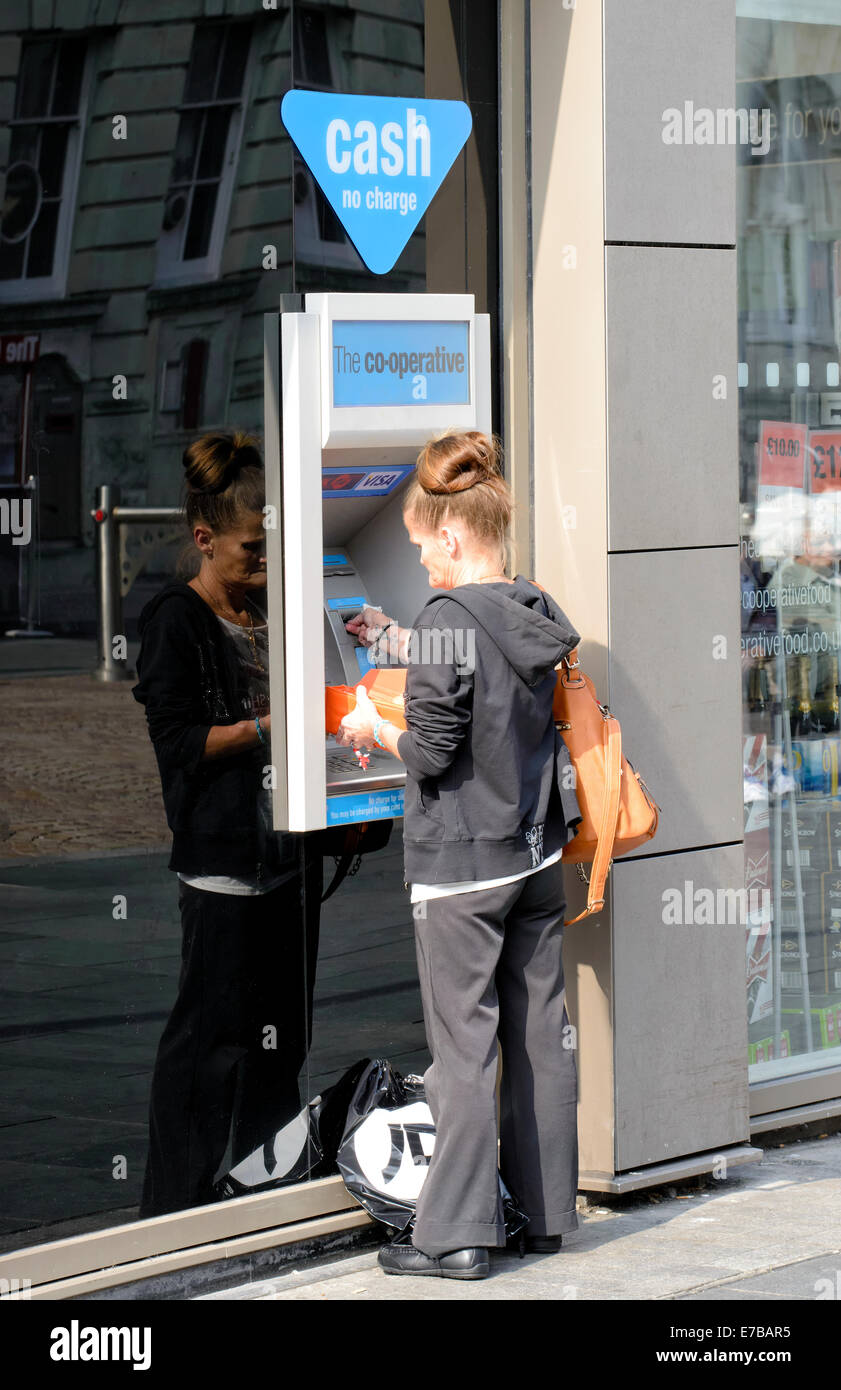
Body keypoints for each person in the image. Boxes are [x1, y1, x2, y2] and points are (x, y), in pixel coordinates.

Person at [336, 429, 582, 1279]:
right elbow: (482, 667)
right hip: (534, 854)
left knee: (465, 1048)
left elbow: (435, 751)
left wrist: (372, 725)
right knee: (538, 1036)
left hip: (463, 870)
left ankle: (458, 1237)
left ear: (449, 535)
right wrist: (395, 640)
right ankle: (547, 1217)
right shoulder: (525, 602)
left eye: (418, 548)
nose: (420, 564)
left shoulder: (450, 612)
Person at [132, 431, 322, 1218]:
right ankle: (173, 1209)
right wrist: (271, 728)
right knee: (208, 1047)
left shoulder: (271, 606)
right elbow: (177, 744)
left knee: (282, 1040)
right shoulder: (173, 619)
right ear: (204, 539)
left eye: (272, 546)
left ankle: (261, 1195)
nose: (264, 562)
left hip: (287, 858)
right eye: (251, 548)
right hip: (220, 863)